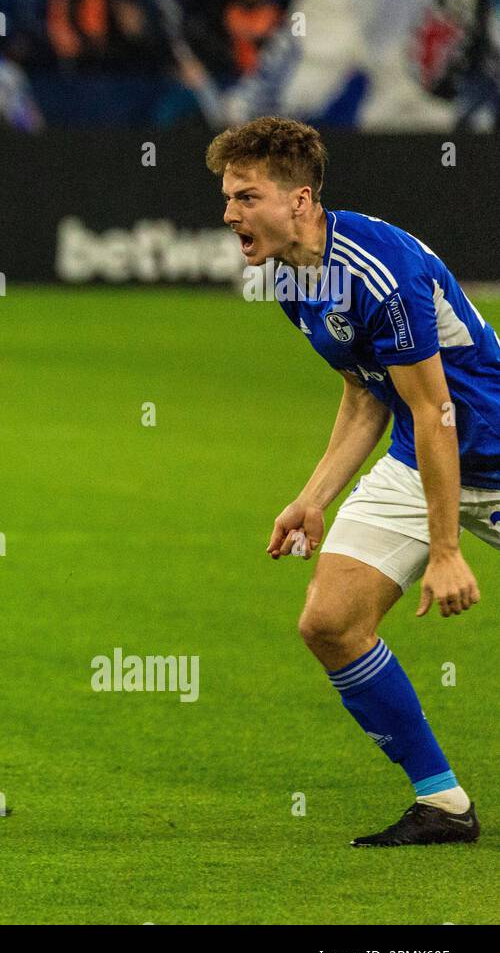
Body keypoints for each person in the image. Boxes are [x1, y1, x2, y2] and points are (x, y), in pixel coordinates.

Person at [207, 115, 496, 846]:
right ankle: (444, 803)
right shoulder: (294, 279)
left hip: (485, 454)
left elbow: (435, 410)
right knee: (329, 621)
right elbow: (367, 394)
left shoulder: (380, 270)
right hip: (418, 458)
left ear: (298, 200)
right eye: (228, 196)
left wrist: (446, 549)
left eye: (245, 197)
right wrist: (314, 496)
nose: (229, 213)